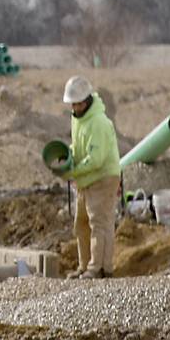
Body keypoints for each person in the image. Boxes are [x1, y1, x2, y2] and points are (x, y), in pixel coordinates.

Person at [60, 75, 121, 279]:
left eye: (78, 104)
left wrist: (73, 171)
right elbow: (79, 146)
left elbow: (96, 159)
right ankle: (84, 266)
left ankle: (100, 269)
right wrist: (68, 156)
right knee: (82, 224)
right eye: (73, 104)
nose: (75, 108)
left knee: (99, 223)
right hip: (86, 179)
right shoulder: (77, 119)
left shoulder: (99, 123)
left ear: (87, 101)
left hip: (103, 178)